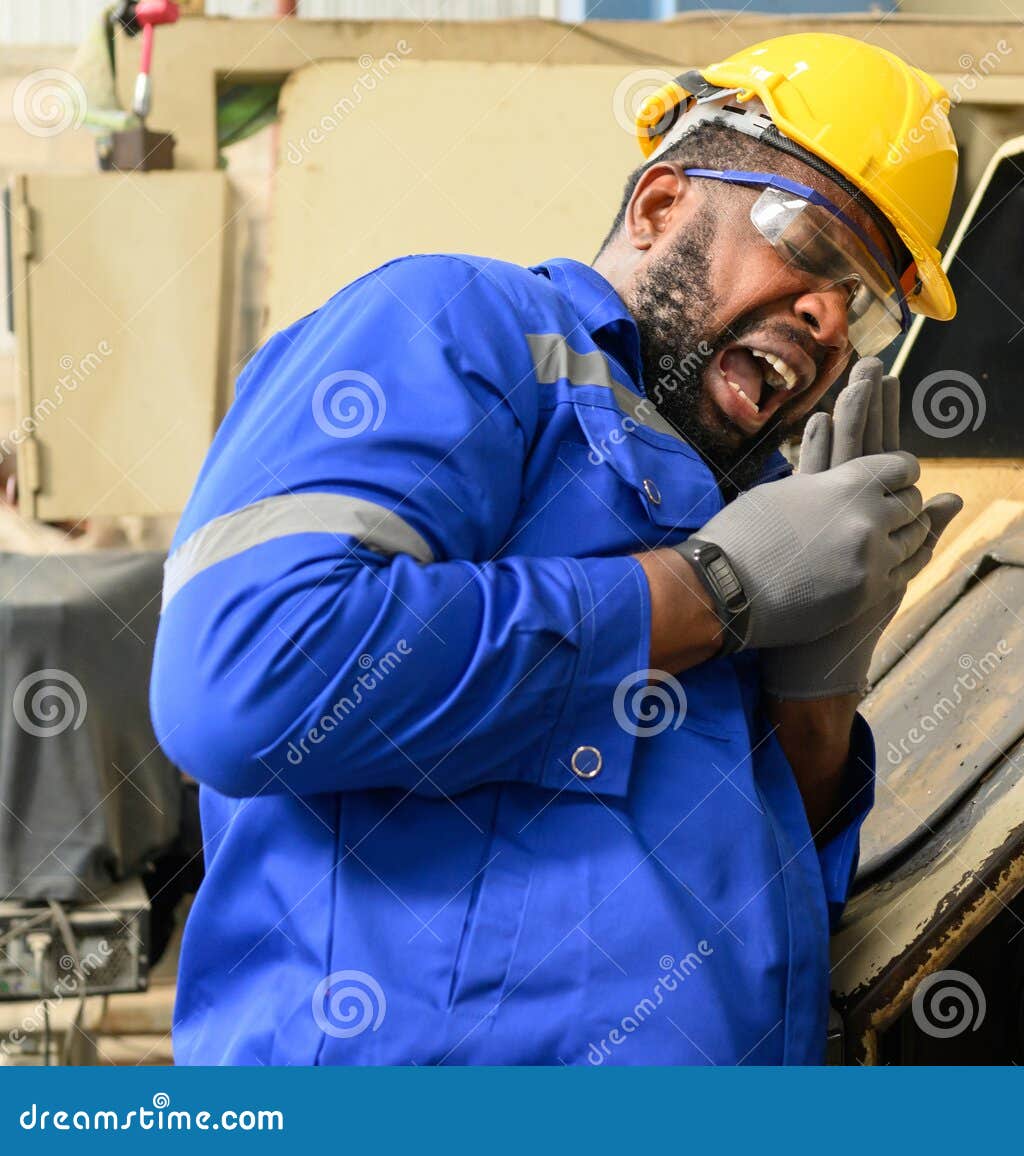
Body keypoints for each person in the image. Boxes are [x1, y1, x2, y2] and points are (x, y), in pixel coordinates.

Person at [151, 33, 963, 1065]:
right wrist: (708, 593)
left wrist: (818, 695)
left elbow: (759, 906)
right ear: (659, 205)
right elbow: (245, 681)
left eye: (869, 303)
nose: (831, 316)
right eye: (807, 241)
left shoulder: (760, 502)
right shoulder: (463, 325)